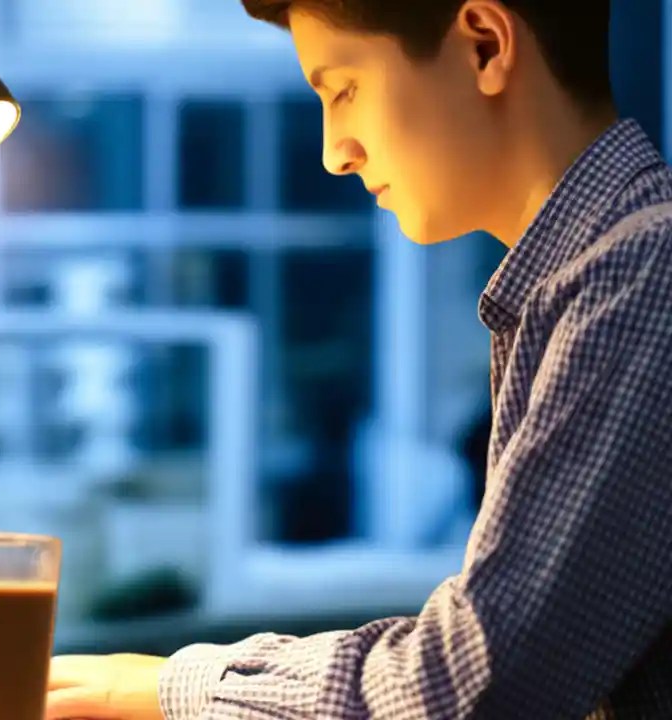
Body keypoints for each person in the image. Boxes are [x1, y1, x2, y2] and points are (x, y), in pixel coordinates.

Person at [44, 0, 672, 717]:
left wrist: (166, 688)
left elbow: (475, 684)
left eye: (343, 89)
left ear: (484, 47)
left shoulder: (642, 274)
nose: (333, 151)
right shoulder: (582, 285)